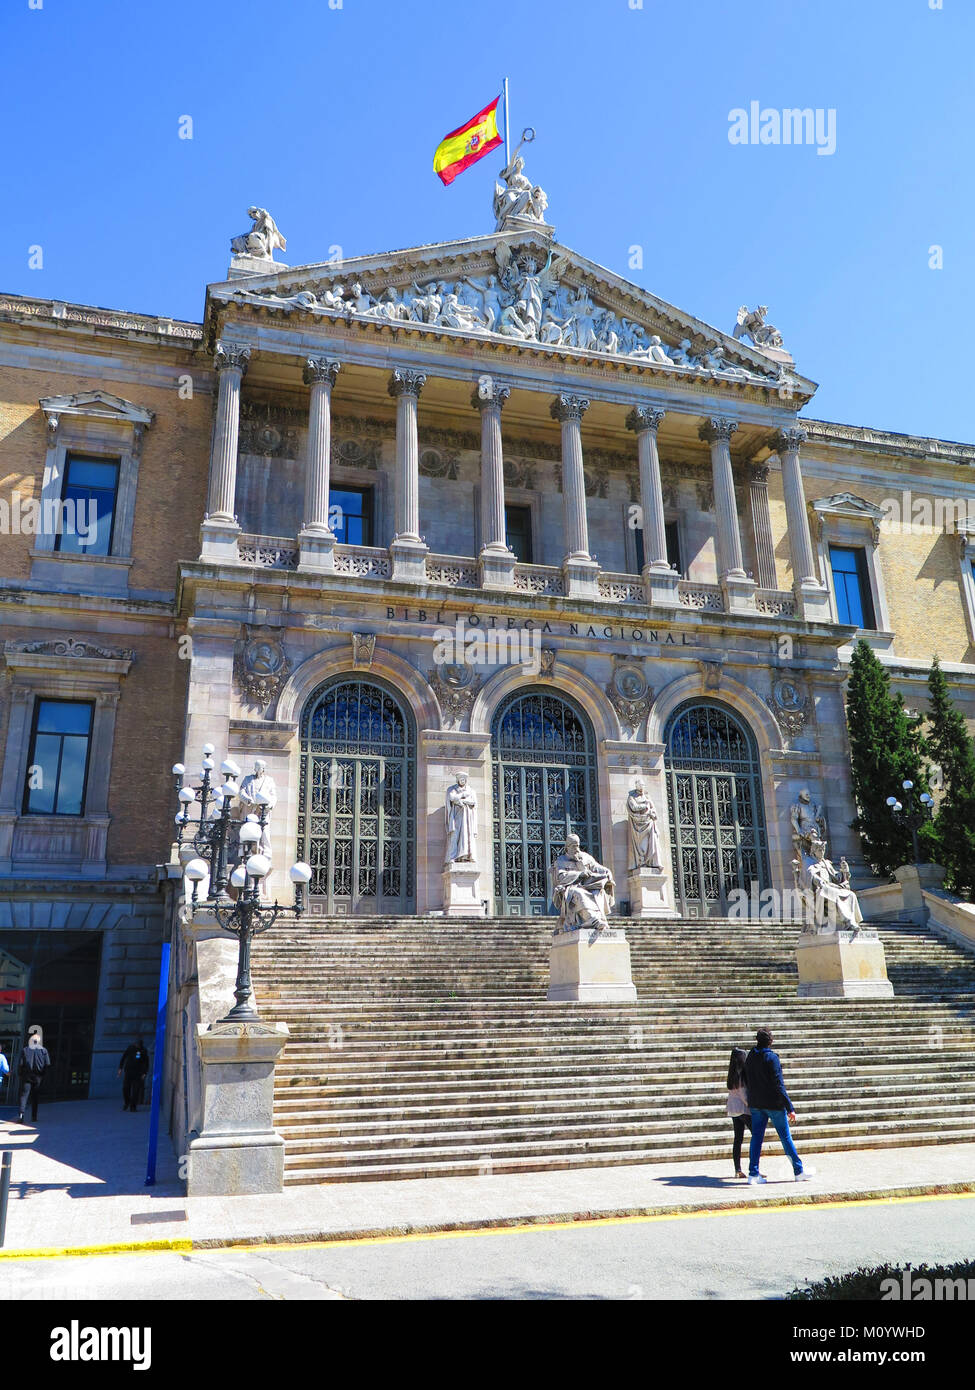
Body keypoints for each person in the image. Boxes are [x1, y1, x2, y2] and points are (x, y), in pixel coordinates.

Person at [743, 1028, 815, 1184]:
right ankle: (798, 1171)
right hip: (773, 1104)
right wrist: (790, 1108)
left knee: (756, 1138)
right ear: (770, 1041)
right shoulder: (772, 1058)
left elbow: (746, 1078)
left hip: (756, 1103)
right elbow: (779, 1084)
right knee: (785, 1138)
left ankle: (753, 1174)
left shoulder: (751, 1056)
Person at [726, 1047, 752, 1179]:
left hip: (733, 1109)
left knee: (738, 1139)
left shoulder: (731, 1075)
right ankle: (754, 1168)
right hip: (743, 1109)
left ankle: (738, 1169)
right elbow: (744, 1096)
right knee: (756, 1136)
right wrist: (753, 1106)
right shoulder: (741, 1075)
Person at [17, 1033, 51, 1125]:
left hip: (27, 1076)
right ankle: (34, 1116)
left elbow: (20, 1064)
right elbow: (47, 1064)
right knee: (35, 1096)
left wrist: (20, 1074)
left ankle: (21, 1115)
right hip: (38, 1076)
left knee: (24, 1096)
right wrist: (43, 1074)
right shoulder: (44, 1050)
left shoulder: (25, 1050)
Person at [118, 1039, 150, 1112]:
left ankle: (133, 1106)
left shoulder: (143, 1051)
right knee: (125, 1088)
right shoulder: (130, 1048)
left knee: (136, 1091)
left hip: (138, 1073)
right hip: (128, 1071)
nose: (137, 1046)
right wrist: (120, 1068)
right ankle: (127, 1102)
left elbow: (146, 1063)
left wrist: (144, 1073)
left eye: (139, 1045)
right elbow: (124, 1057)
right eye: (137, 1045)